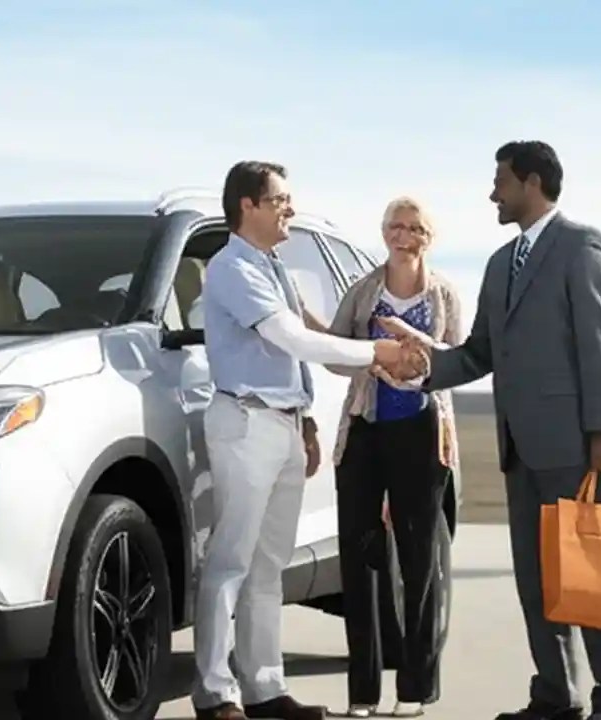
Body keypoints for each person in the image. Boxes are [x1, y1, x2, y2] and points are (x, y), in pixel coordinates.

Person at [383, 141, 601, 720]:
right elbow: (478, 354)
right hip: (518, 447)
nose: (493, 192)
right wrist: (424, 362)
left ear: (532, 182)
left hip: (573, 443)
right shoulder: (501, 265)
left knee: (593, 577)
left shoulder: (582, 246)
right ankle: (555, 694)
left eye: (501, 180)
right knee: (537, 580)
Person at [192, 160, 409, 720]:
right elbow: (288, 337)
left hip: (283, 425)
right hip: (245, 423)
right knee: (231, 561)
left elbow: (309, 338)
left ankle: (265, 690)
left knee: (268, 566)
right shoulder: (231, 268)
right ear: (249, 206)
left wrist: (306, 420)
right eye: (281, 200)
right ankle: (216, 694)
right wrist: (375, 355)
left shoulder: (273, 267)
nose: (290, 208)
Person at [319, 196, 463, 718]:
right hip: (365, 430)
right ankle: (362, 693)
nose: (403, 236)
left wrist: (418, 359)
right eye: (394, 227)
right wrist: (370, 363)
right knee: (360, 559)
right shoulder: (363, 292)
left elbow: (457, 361)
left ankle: (414, 690)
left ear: (430, 237)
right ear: (383, 233)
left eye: (415, 228)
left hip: (422, 433)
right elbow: (335, 355)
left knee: (419, 560)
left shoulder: (444, 293)